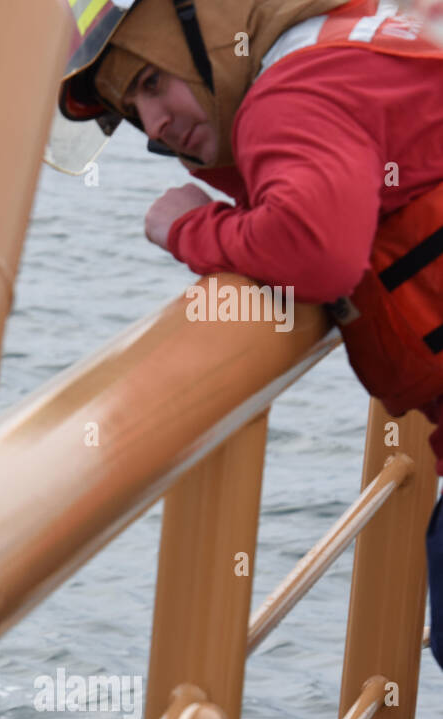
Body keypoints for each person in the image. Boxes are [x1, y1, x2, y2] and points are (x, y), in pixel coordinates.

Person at [57, 0, 443, 669]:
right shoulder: (344, 39)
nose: (156, 125)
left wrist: (187, 228)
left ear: (204, 29)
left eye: (154, 82)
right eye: (131, 113)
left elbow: (313, 251)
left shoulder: (289, 93)